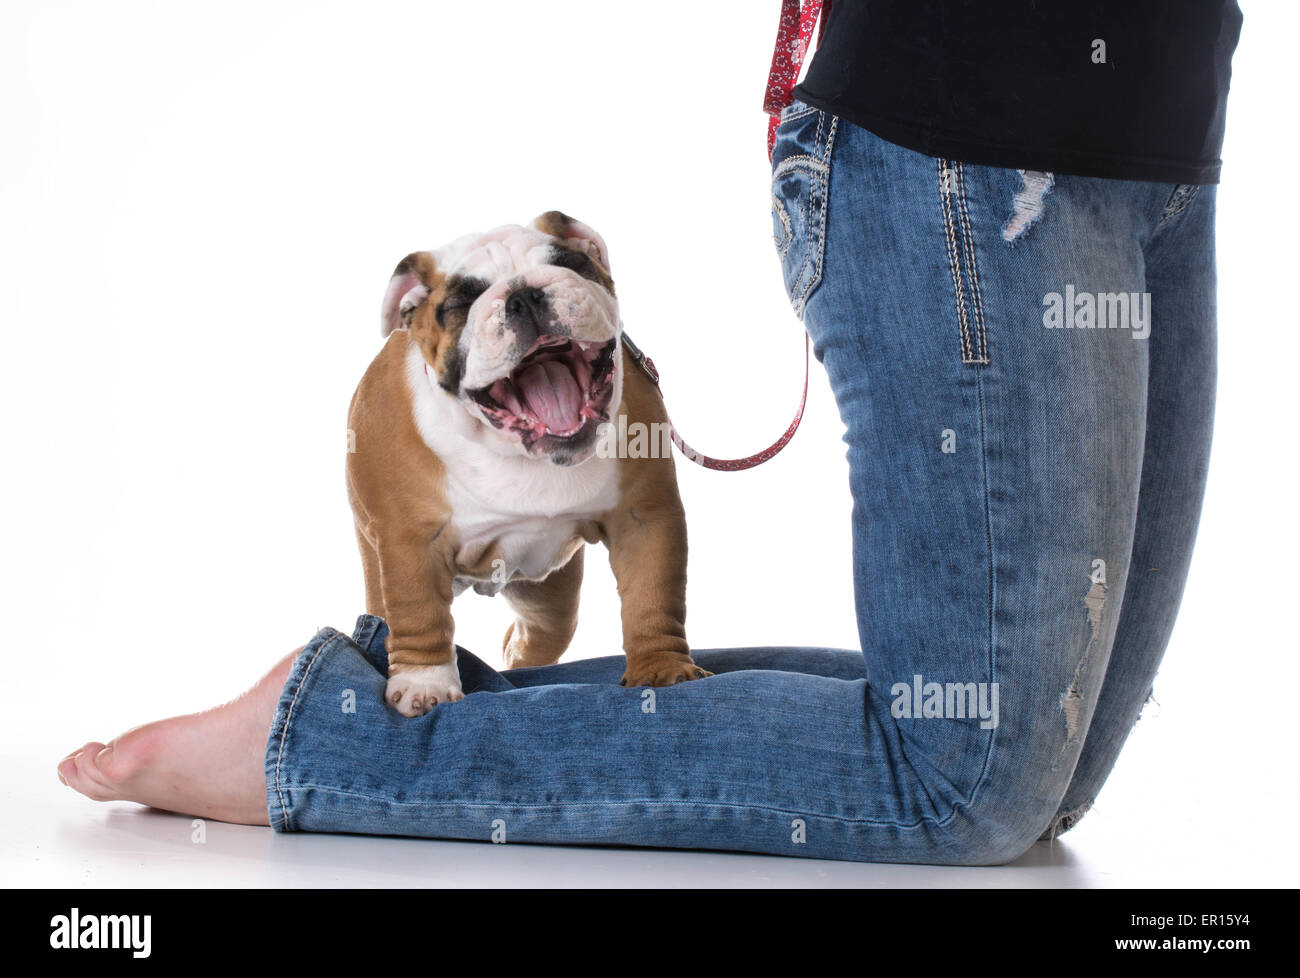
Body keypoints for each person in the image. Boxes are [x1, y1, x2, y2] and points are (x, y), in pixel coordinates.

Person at [58, 0, 1242, 864]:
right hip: (966, 151)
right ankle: (324, 741)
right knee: (970, 786)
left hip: (1162, 147)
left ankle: (393, 702)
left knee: (1051, 774)